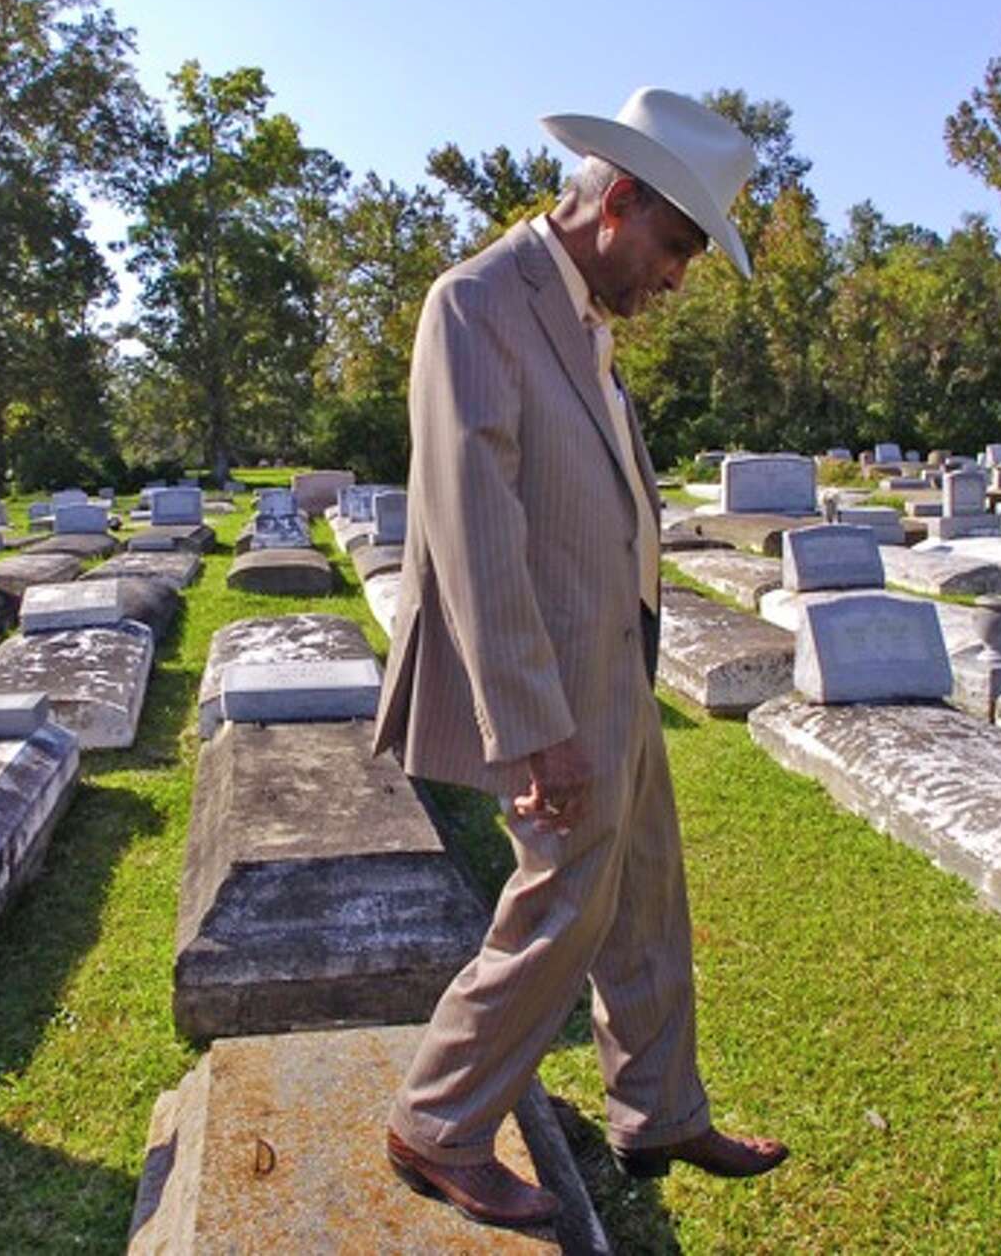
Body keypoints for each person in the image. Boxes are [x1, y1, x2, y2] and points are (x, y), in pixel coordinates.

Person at [374, 87, 788, 1230]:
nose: (676, 279)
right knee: (562, 897)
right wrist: (530, 724)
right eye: (674, 248)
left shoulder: (583, 321)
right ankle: (442, 1119)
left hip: (615, 665)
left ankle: (657, 1108)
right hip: (547, 686)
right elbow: (472, 521)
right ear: (617, 201)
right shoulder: (478, 304)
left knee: (645, 890)